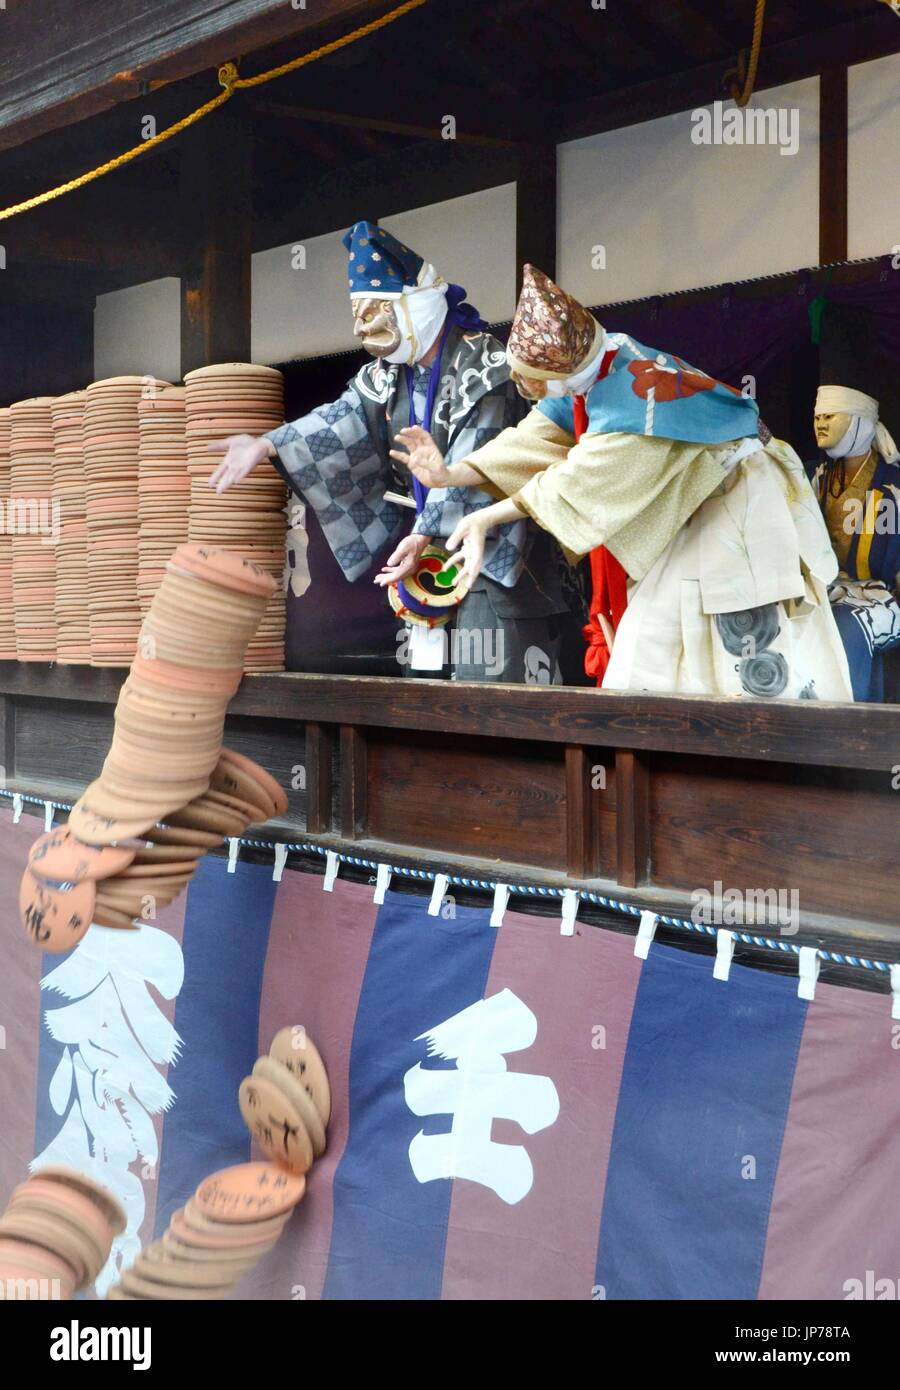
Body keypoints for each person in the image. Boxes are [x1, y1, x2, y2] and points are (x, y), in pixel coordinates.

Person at [400, 264, 853, 701]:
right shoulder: (598, 362)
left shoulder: (637, 403)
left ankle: (762, 757)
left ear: (558, 373)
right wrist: (450, 474)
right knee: (659, 633)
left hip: (740, 500)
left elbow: (573, 481)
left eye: (531, 380)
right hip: (698, 502)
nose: (524, 386)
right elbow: (533, 440)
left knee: (739, 629)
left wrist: (484, 516)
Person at [208, 223, 569, 683]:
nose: (365, 327)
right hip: (428, 543)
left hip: (498, 553)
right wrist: (267, 442)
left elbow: (476, 461)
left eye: (377, 312)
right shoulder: (389, 373)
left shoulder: (485, 366)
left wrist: (422, 534)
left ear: (415, 306)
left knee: (493, 698)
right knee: (429, 697)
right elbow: (339, 418)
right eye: (359, 314)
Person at [809, 385, 900, 701]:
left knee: (849, 627)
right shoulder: (818, 478)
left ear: (861, 422)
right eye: (818, 416)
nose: (820, 423)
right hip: (828, 589)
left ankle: (853, 729)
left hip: (885, 594)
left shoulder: (894, 485)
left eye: (830, 415)